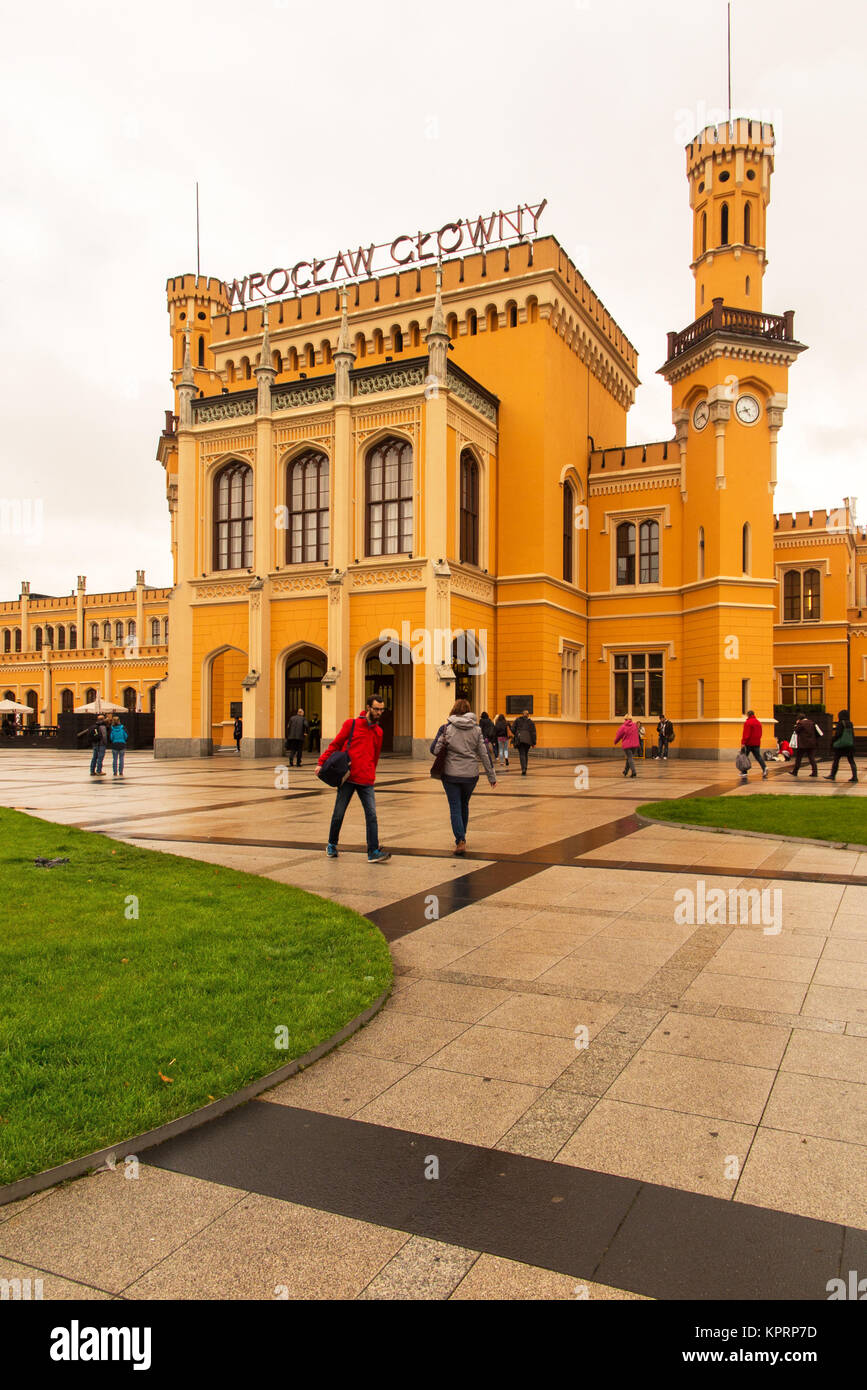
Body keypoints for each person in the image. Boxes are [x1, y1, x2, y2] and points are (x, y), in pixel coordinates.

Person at [316, 695, 391, 862]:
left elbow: (375, 756)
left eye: (381, 709)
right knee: (338, 813)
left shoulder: (378, 732)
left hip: (366, 780)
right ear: (368, 708)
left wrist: (372, 772)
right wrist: (321, 762)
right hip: (348, 777)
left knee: (371, 815)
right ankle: (331, 844)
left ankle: (373, 851)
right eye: (376, 709)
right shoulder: (352, 724)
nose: (379, 712)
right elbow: (335, 744)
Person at [432, 700, 497, 855]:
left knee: (455, 807)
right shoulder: (476, 729)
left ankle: (460, 840)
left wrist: (444, 739)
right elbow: (484, 754)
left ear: (453, 710)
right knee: (464, 804)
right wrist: (491, 776)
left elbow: (434, 750)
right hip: (470, 775)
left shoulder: (446, 728)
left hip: (450, 775)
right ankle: (462, 836)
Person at [824, 709, 858, 784]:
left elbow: (838, 734)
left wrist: (833, 741)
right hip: (849, 745)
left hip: (841, 746)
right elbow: (852, 734)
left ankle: (832, 775)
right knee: (851, 761)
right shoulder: (850, 723)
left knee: (836, 760)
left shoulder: (840, 723)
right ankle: (855, 776)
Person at [787, 712, 819, 778]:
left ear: (799, 719)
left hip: (803, 744)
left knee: (799, 758)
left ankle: (795, 772)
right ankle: (815, 772)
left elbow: (796, 731)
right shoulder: (812, 722)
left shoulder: (801, 723)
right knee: (812, 758)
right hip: (812, 744)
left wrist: (796, 724)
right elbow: (817, 732)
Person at [740, 709, 768, 781]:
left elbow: (746, 734)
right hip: (756, 742)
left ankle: (744, 772)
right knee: (758, 756)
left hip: (748, 743)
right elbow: (760, 733)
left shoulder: (748, 722)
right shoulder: (758, 722)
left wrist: (743, 742)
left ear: (748, 715)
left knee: (744, 757)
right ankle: (764, 767)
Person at [511, 709, 537, 775]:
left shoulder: (517, 720)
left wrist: (516, 733)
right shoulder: (531, 722)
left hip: (520, 739)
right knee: (525, 754)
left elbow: (512, 729)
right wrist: (534, 742)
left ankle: (523, 768)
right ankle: (525, 768)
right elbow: (533, 733)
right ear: (528, 715)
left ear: (522, 714)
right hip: (528, 740)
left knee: (522, 754)